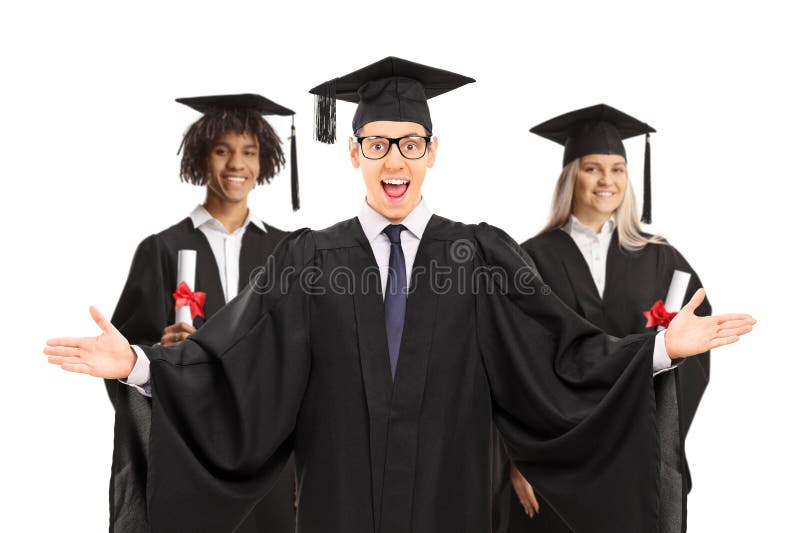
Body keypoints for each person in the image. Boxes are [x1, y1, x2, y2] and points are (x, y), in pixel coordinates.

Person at [45, 57, 754, 533]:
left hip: (455, 507)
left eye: (410, 143)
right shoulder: (306, 259)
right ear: (354, 153)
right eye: (378, 143)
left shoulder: (480, 254)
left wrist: (659, 348)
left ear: (432, 153)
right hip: (336, 510)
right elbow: (235, 362)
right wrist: (139, 364)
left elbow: (561, 355)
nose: (395, 159)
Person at [500, 104, 710, 533]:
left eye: (617, 169)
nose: (606, 181)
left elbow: (695, 355)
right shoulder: (529, 259)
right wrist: (516, 458)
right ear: (570, 176)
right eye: (592, 168)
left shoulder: (661, 258)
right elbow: (508, 362)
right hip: (557, 461)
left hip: (638, 454)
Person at [105, 93, 298, 533]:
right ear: (200, 156)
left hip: (270, 455)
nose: (237, 164)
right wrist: (159, 355)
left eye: (249, 152)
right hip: (189, 452)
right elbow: (124, 361)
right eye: (222, 150)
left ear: (263, 159)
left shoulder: (287, 253)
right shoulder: (161, 250)